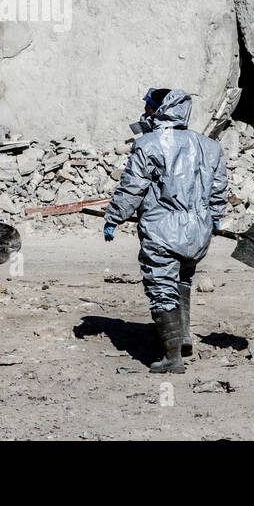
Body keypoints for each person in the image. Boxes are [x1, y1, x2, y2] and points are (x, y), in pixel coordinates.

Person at [102, 88, 227, 373]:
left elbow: (132, 188)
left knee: (161, 287)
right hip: (198, 232)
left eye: (147, 106)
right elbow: (217, 190)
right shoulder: (209, 146)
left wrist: (114, 217)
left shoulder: (148, 144)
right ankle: (182, 338)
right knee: (183, 278)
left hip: (163, 231)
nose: (144, 111)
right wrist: (215, 218)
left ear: (158, 109)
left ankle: (172, 359)